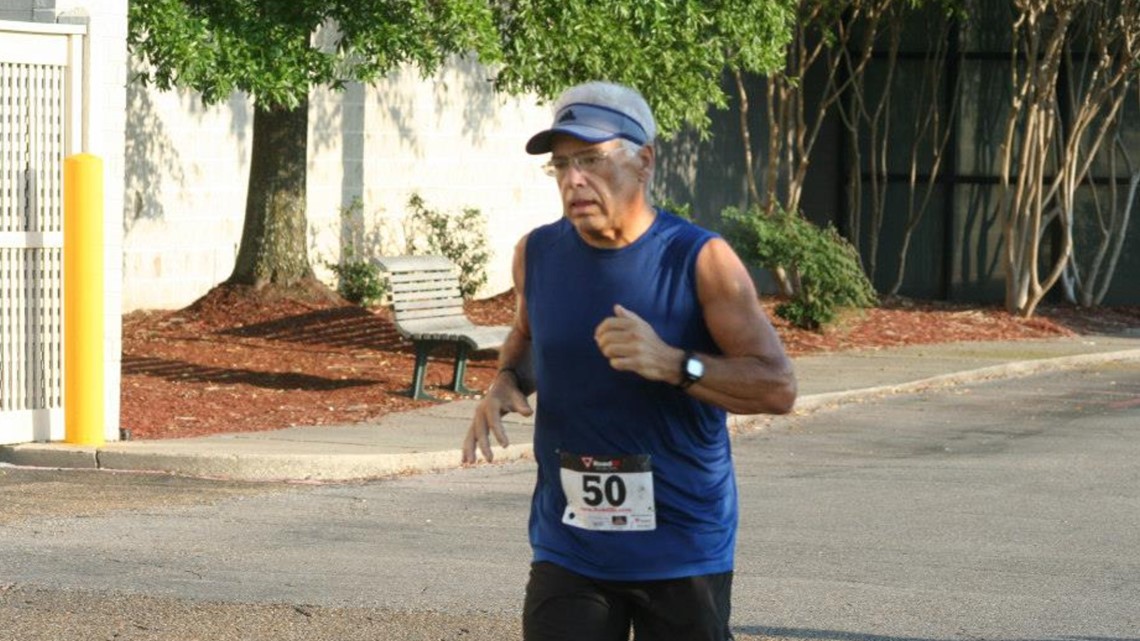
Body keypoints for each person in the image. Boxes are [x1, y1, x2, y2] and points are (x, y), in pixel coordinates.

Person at [463, 80, 797, 641]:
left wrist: (675, 364)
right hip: (570, 542)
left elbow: (777, 387)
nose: (573, 179)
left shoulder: (699, 258)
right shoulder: (537, 253)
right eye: (562, 164)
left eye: (592, 158)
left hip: (682, 547)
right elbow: (529, 336)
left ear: (644, 161)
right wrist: (504, 380)